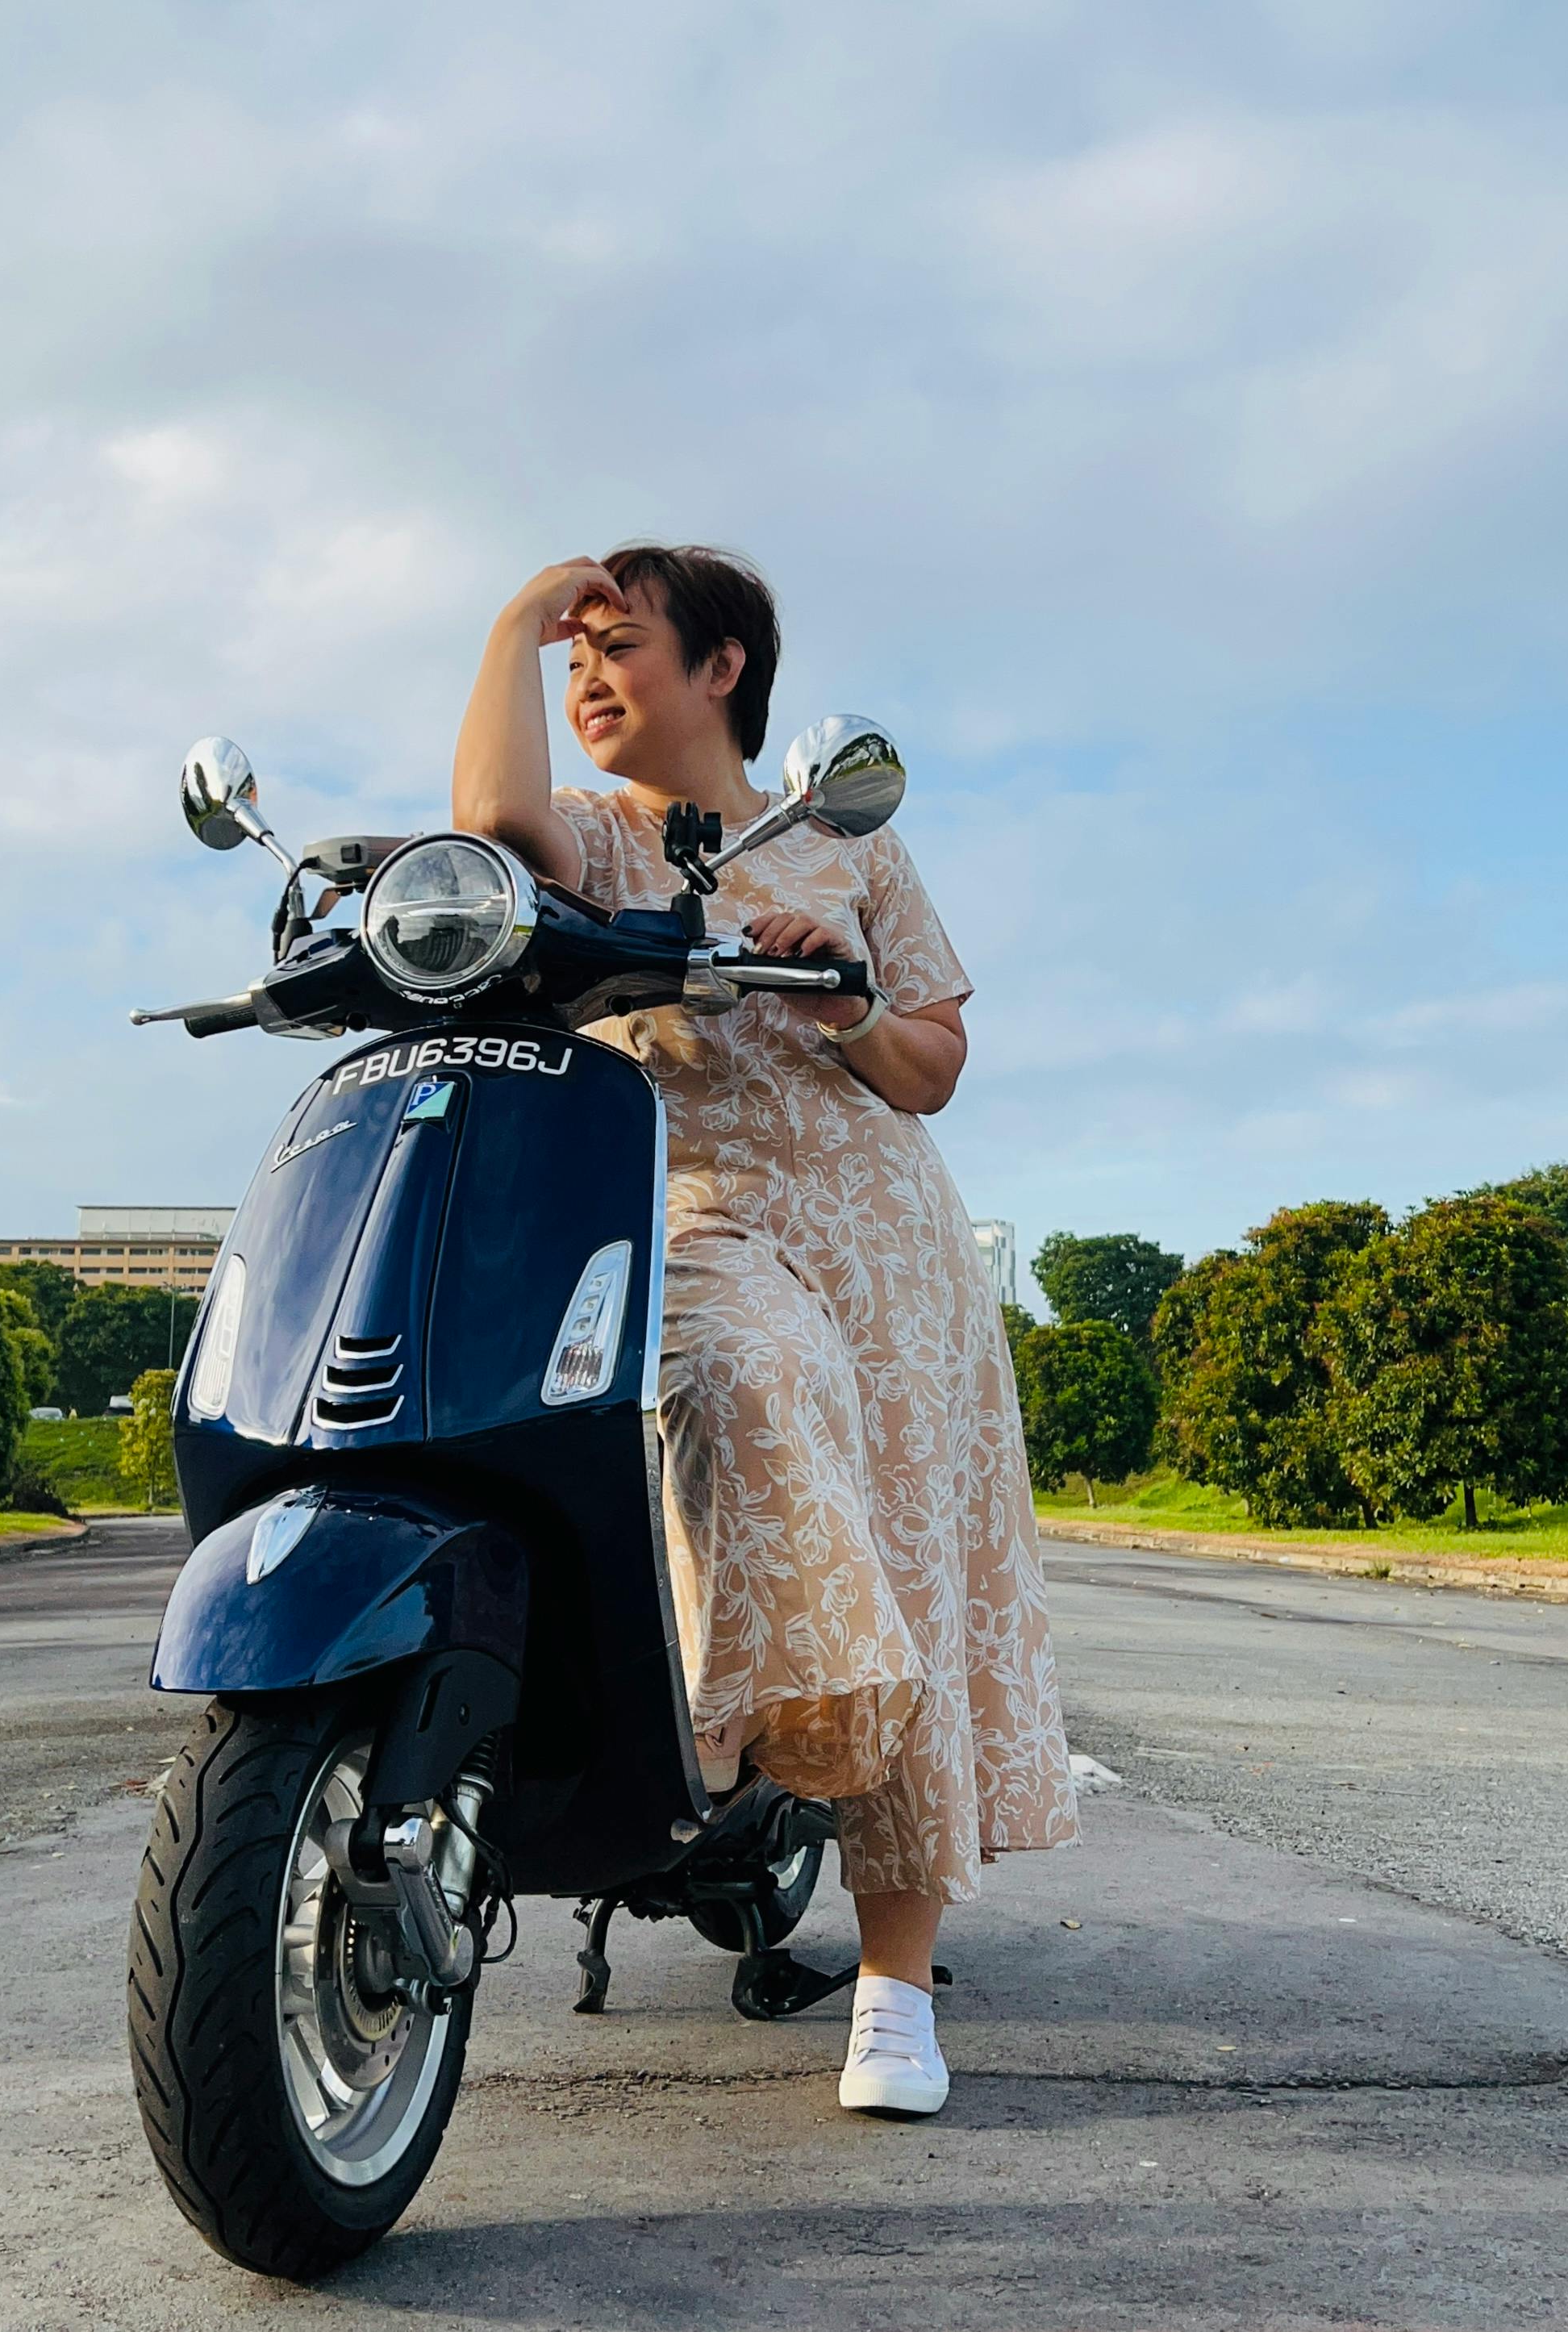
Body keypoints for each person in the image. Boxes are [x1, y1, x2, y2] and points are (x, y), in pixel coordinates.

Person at [452, 544, 1077, 2117]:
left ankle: (892, 1993)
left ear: (722, 667)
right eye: (572, 655)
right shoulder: (593, 837)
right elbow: (488, 833)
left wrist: (840, 1004)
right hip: (693, 1215)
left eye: (620, 645)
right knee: (729, 1379)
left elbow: (933, 1061)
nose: (589, 677)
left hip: (883, 1240)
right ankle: (755, 1742)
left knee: (913, 1567)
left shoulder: (846, 846)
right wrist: (511, 628)